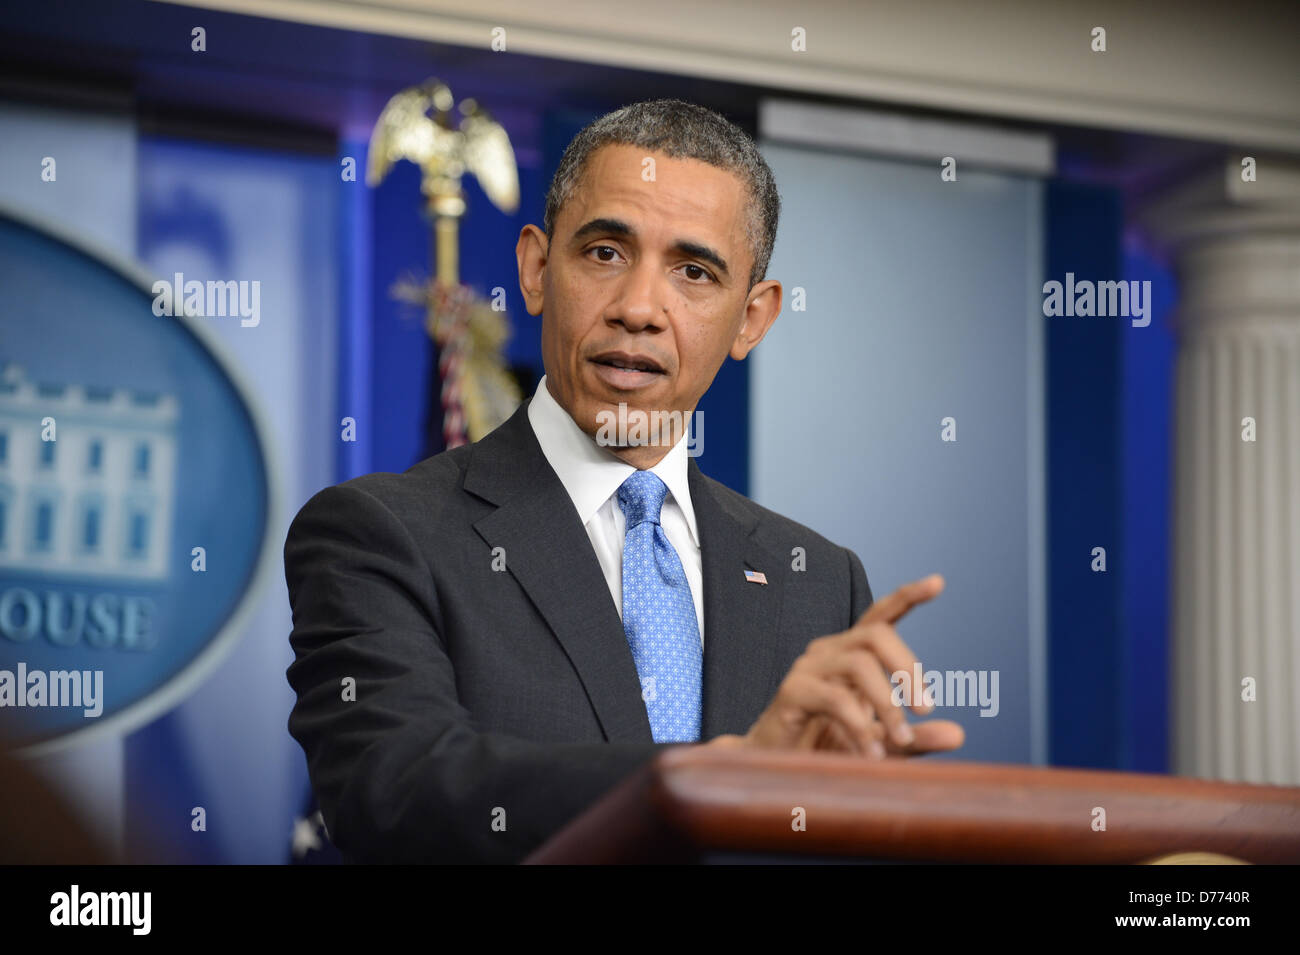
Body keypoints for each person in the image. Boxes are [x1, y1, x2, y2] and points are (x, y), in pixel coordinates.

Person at [284, 98, 964, 864]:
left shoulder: (819, 581)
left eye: (694, 271)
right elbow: (393, 791)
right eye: (605, 252)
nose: (639, 308)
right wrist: (720, 777)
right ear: (537, 269)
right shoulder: (380, 533)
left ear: (752, 319)